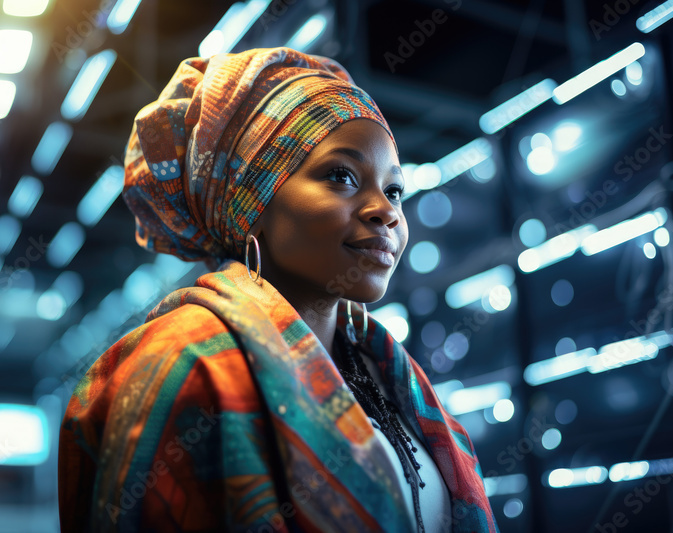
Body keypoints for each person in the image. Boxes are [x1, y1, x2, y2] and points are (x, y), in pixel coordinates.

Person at [58, 47, 498, 533]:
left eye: (395, 190)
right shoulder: (185, 363)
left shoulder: (387, 371)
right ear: (253, 204)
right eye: (341, 176)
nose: (386, 211)